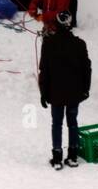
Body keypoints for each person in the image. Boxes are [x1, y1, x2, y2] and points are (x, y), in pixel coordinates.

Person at [38, 10, 91, 169]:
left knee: (57, 124)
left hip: (56, 92)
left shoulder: (49, 43)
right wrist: (85, 89)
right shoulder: (79, 44)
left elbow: (44, 71)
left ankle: (57, 157)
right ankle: (73, 156)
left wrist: (43, 92)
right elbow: (86, 69)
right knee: (72, 122)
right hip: (74, 92)